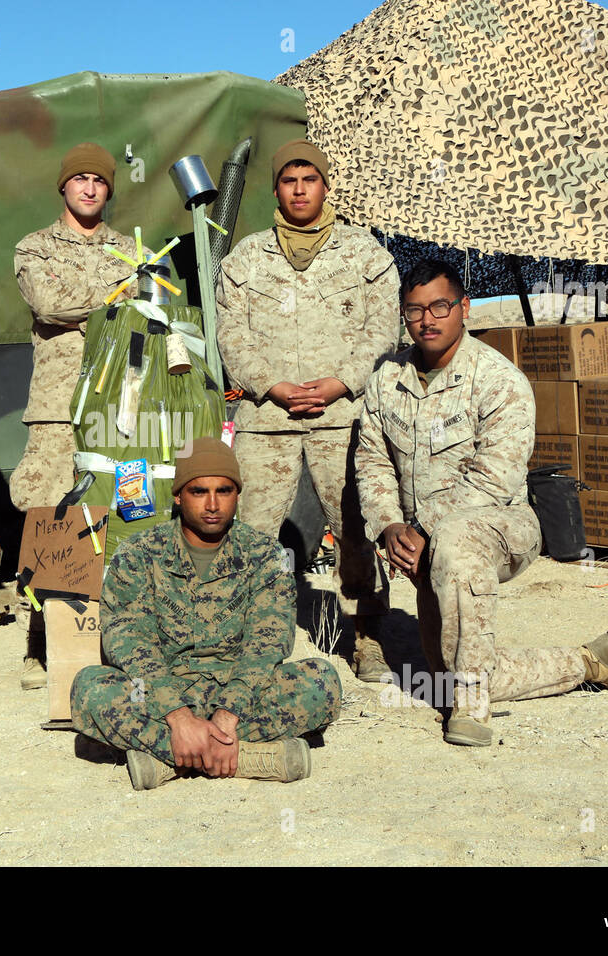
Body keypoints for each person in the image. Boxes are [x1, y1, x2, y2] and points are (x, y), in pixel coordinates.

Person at [354, 259, 608, 747]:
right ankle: (591, 661)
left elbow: (494, 477)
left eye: (440, 306)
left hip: (500, 526)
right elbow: (372, 458)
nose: (428, 319)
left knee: (457, 543)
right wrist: (388, 526)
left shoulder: (498, 379)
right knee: (446, 675)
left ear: (464, 308)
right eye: (415, 309)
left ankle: (473, 710)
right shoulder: (386, 379)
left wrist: (422, 529)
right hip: (422, 542)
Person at [216, 139, 399, 682]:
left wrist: (341, 381)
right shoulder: (246, 257)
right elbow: (230, 333)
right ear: (276, 189)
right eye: (289, 180)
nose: (300, 190)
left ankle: (366, 634)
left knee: (353, 526)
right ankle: (237, 633)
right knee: (248, 527)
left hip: (341, 416)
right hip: (265, 420)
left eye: (309, 179)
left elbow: (383, 327)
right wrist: (270, 385)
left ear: (325, 184)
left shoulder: (365, 253)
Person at [71, 437, 341, 790]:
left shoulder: (263, 554)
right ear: (179, 495)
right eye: (199, 492)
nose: (212, 505)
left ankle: (170, 759)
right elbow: (129, 641)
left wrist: (229, 713)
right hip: (161, 689)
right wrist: (178, 716)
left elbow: (267, 643)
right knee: (89, 688)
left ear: (237, 495)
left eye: (224, 491)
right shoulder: (139, 554)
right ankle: (246, 757)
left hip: (241, 689)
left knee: (322, 680)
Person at [11, 142, 138, 690]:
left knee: (116, 511)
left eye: (100, 180)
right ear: (63, 186)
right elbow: (46, 303)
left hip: (117, 401)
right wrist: (116, 293)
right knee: (52, 517)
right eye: (80, 179)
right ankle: (40, 640)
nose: (90, 188)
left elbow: (145, 314)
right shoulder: (35, 246)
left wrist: (111, 295)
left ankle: (106, 635)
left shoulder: (132, 249)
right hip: (57, 405)